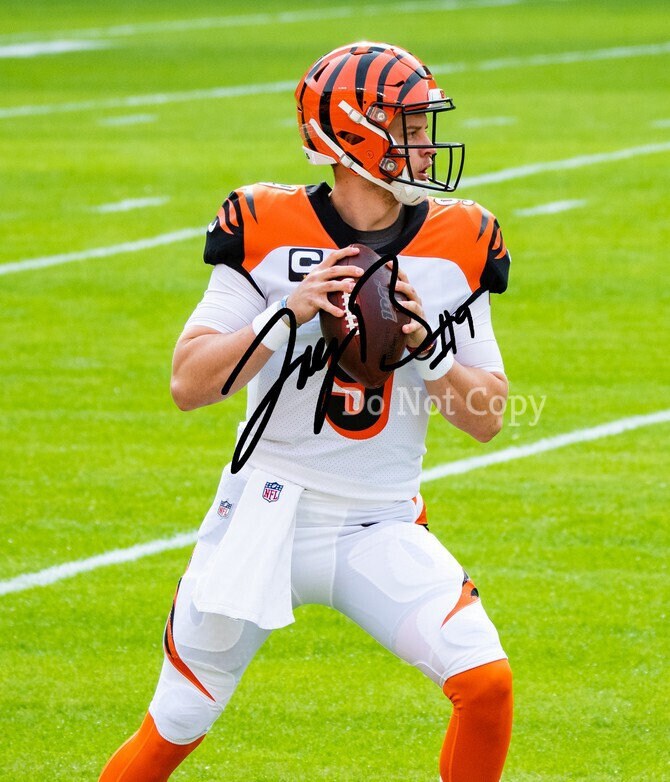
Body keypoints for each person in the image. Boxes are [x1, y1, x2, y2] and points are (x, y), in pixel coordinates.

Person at [100, 41, 513, 782]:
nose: (426, 142)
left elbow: (487, 415)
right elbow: (189, 384)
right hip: (264, 513)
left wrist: (429, 348)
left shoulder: (459, 240)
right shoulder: (266, 225)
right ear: (356, 134)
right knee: (174, 726)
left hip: (381, 521)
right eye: (409, 125)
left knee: (485, 685)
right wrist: (284, 316)